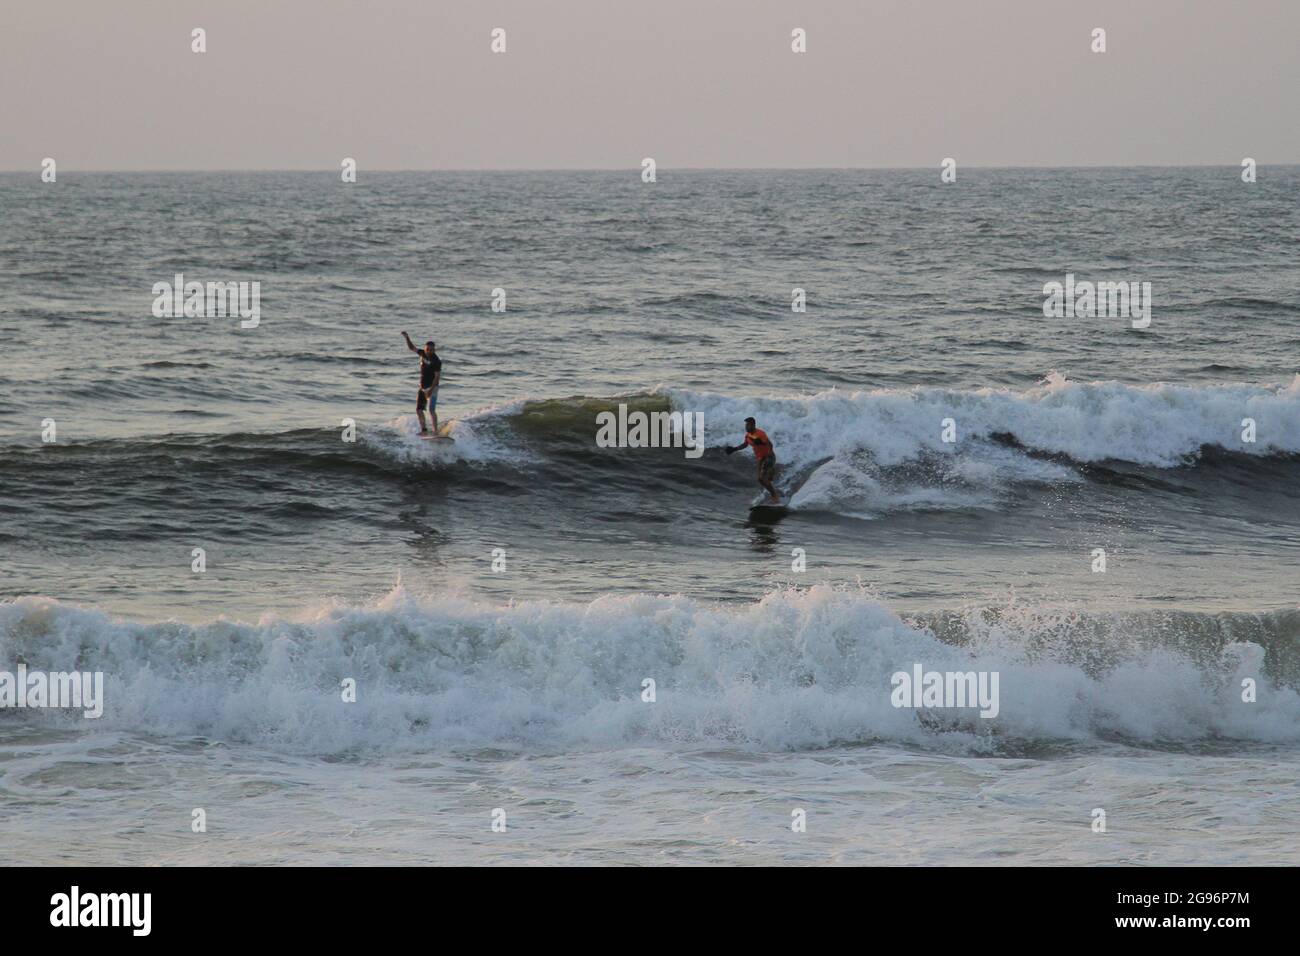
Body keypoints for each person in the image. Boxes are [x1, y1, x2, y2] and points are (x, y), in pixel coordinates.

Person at [726, 417, 780, 503]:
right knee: (760, 480)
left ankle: (774, 495)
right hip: (760, 458)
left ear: (753, 425)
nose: (746, 427)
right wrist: (734, 449)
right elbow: (745, 444)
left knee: (762, 478)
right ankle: (771, 476)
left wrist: (768, 454)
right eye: (746, 425)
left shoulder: (761, 434)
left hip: (768, 457)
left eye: (748, 425)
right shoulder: (748, 435)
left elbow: (770, 444)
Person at [401, 332, 441, 434]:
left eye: (431, 350)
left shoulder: (436, 361)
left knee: (432, 410)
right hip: (422, 387)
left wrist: (431, 391)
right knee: (419, 410)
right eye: (427, 349)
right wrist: (407, 338)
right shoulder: (422, 353)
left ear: (434, 350)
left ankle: (435, 431)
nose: (429, 351)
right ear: (425, 349)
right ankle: (424, 430)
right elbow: (411, 347)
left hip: (433, 387)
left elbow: (437, 377)